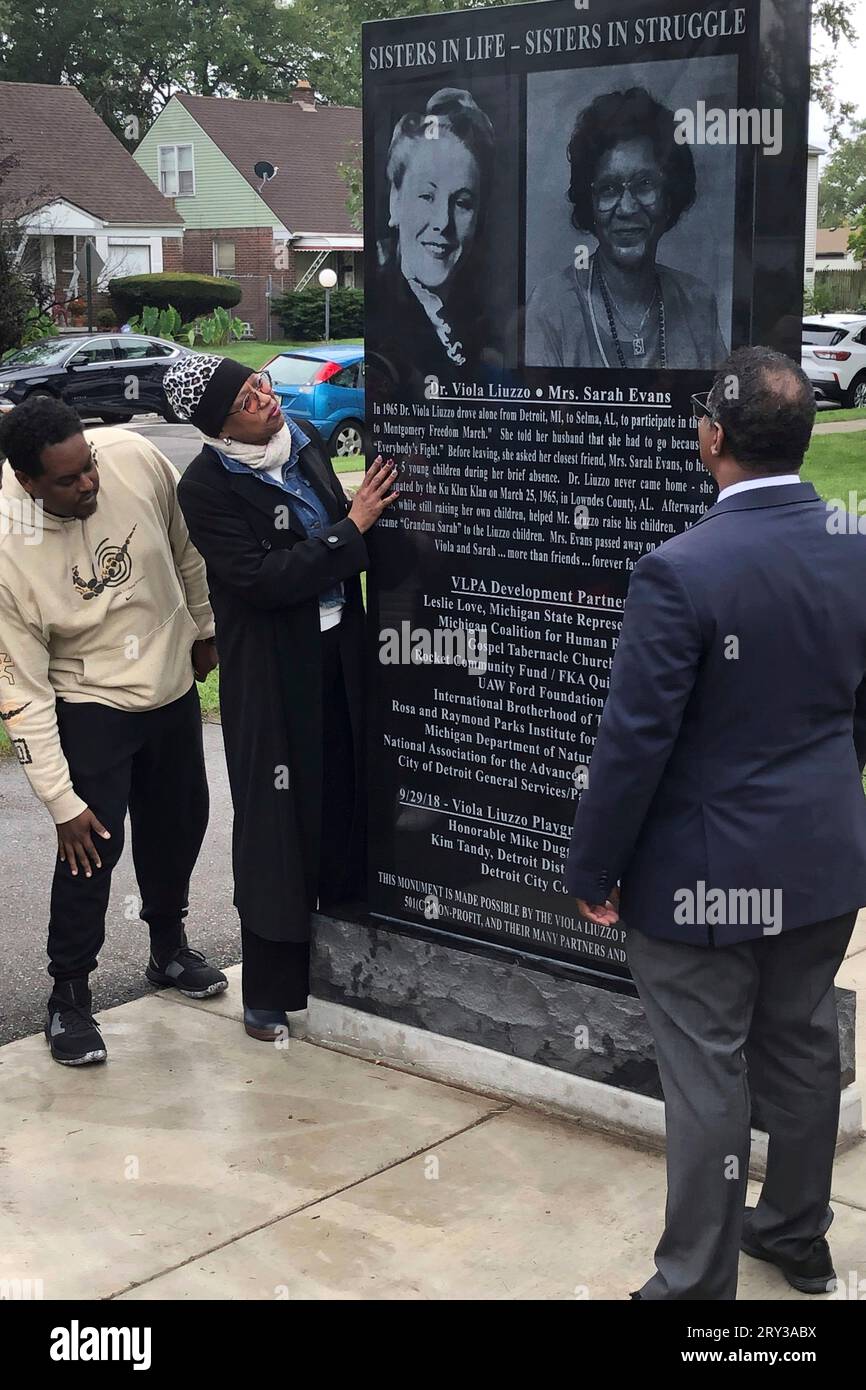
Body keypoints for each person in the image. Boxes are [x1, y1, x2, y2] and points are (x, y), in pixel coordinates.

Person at [565, 346, 866, 1300]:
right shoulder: (856, 543)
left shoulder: (678, 572)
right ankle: (794, 1234)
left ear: (711, 439)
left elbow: (634, 743)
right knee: (804, 1050)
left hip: (703, 879)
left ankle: (695, 1283)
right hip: (820, 859)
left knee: (708, 1079)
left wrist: (592, 866)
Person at [165, 355, 397, 1042]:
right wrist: (347, 530)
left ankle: (349, 965)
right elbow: (261, 579)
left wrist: (349, 533)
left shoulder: (304, 440)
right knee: (276, 820)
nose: (264, 399)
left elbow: (333, 541)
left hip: (339, 652)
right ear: (216, 422)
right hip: (269, 672)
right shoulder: (205, 487)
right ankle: (270, 988)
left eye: (259, 384)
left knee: (346, 795)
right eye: (245, 398)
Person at [0, 398, 226, 1067]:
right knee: (89, 848)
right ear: (29, 482)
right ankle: (68, 998)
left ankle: (168, 948)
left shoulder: (132, 455)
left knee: (180, 820)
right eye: (68, 481)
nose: (88, 484)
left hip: (170, 684)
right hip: (90, 699)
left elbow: (185, 547)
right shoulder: (10, 548)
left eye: (87, 467)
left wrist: (206, 626)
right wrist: (59, 800)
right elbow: (21, 690)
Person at [526, 86, 728, 369]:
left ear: (670, 195)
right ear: (590, 203)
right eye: (608, 189)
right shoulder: (551, 307)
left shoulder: (696, 303)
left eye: (645, 184)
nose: (627, 208)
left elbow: (719, 410)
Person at [370, 86, 497, 389]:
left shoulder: (481, 326)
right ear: (395, 202)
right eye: (427, 196)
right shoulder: (380, 325)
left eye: (463, 202)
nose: (443, 222)